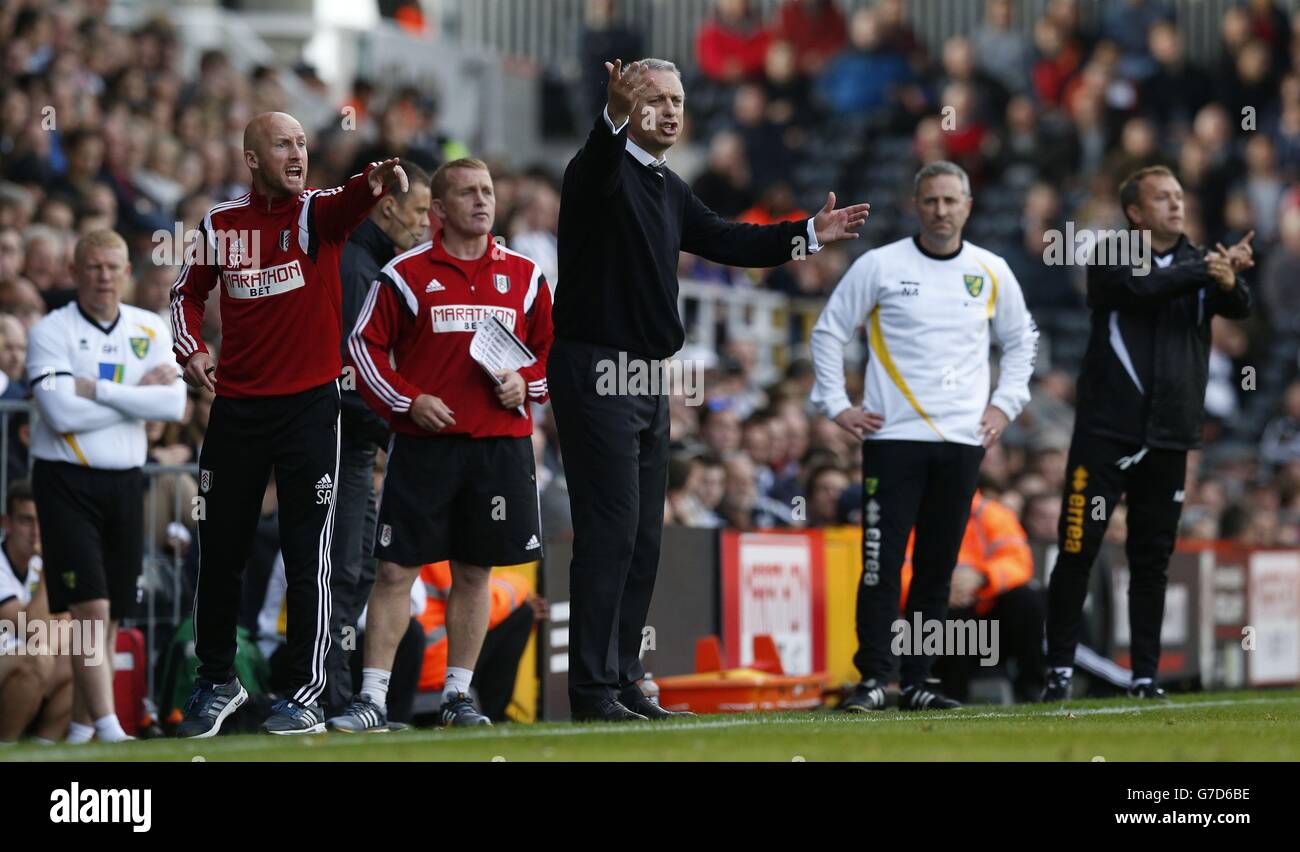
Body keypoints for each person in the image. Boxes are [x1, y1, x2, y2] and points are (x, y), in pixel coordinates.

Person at [550, 59, 869, 722]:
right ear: (631, 110)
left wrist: (808, 234)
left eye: (677, 100)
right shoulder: (597, 172)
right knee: (609, 532)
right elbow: (599, 161)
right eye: (655, 100)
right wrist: (610, 113)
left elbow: (728, 239)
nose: (669, 111)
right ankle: (590, 691)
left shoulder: (668, 186)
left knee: (643, 534)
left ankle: (625, 677)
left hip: (647, 375)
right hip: (597, 367)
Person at [170, 112, 407, 737]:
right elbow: (184, 296)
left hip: (309, 407)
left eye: (303, 142)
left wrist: (373, 180)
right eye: (283, 144)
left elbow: (348, 201)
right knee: (219, 550)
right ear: (253, 158)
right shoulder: (222, 224)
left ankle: (303, 691)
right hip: (238, 408)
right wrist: (192, 349)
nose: (297, 152)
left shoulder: (316, 214)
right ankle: (216, 681)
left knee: (310, 555)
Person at [810, 161, 1039, 712]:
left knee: (937, 567)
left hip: (962, 442)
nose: (941, 210)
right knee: (881, 564)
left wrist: (1005, 406)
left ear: (968, 205)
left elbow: (1021, 340)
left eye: (951, 201)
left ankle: (917, 681)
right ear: (917, 205)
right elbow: (828, 331)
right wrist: (836, 404)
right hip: (893, 440)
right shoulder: (881, 265)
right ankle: (873, 680)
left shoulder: (991, 270)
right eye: (931, 200)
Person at [336, 158, 554, 730]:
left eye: (487, 191)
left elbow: (555, 358)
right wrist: (408, 400)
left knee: (475, 572)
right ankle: (373, 699)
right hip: (423, 445)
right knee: (392, 572)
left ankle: (459, 696)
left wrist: (526, 383)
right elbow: (363, 349)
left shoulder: (527, 275)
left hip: (498, 447)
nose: (482, 201)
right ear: (438, 211)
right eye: (467, 193)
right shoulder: (403, 273)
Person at [1043, 166, 1253, 702]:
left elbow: (1240, 306)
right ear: (1135, 212)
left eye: (1180, 196)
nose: (1176, 205)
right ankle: (1059, 671)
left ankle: (1144, 676)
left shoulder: (1202, 262)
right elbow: (1143, 289)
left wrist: (1230, 279)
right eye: (1162, 198)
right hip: (1105, 433)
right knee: (1077, 548)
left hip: (1169, 435)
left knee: (1152, 559)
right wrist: (1212, 271)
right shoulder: (1112, 255)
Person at [26, 230, 187, 743]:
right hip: (66, 481)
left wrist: (98, 390)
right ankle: (109, 724)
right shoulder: (51, 331)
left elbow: (170, 406)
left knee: (112, 611)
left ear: (126, 272)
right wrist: (135, 396)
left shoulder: (147, 326)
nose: (103, 276)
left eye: (113, 266)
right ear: (74, 272)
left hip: (126, 480)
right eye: (93, 267)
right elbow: (58, 411)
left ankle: (78, 726)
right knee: (89, 608)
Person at [324, 162, 432, 718]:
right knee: (341, 574)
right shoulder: (357, 269)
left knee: (356, 573)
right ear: (387, 206)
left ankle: (337, 699)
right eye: (418, 213)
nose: (423, 227)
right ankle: (324, 698)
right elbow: (352, 375)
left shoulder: (371, 263)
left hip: (357, 444)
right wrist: (406, 436)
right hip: (339, 444)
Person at [901, 490, 1045, 703]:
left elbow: (1019, 562)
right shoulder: (910, 516)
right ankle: (952, 694)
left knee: (1027, 599)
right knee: (953, 612)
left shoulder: (993, 514)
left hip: (992, 623)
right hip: (937, 621)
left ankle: (1032, 689)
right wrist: (941, 589)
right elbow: (900, 575)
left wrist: (982, 577)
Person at [0, 481, 72, 744]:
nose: (37, 532)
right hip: (7, 662)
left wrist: (46, 645)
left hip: (28, 663)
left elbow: (66, 621)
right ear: (7, 523)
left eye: (42, 522)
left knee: (87, 657)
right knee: (37, 659)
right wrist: (47, 578)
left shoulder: (38, 563)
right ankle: (5, 746)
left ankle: (43, 747)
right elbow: (30, 629)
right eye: (26, 521)